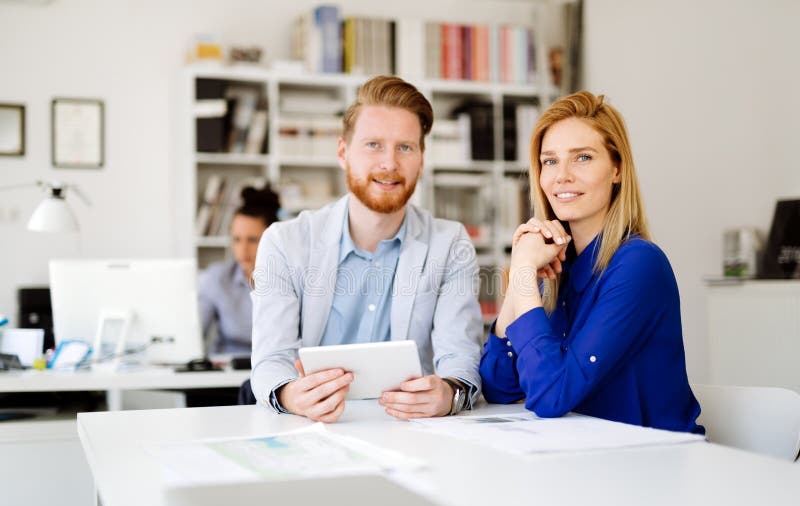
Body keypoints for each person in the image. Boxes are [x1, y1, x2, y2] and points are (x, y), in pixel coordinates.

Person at [250, 75, 483, 422]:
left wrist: (450, 393)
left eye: (405, 147)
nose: (389, 163)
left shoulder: (450, 244)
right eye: (373, 144)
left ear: (421, 159)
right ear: (343, 153)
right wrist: (290, 394)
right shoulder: (284, 243)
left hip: (410, 432)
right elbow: (271, 361)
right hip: (312, 430)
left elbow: (461, 359)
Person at [480, 90, 703, 434]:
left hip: (653, 467)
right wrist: (523, 272)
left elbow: (552, 396)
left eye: (582, 158)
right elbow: (498, 387)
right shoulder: (553, 263)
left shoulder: (639, 265)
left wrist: (523, 272)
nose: (561, 176)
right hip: (586, 460)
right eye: (550, 161)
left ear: (616, 169)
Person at [199, 185, 280, 355]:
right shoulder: (217, 278)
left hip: (274, 373)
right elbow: (193, 334)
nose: (242, 250)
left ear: (272, 239)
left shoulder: (290, 281)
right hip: (226, 373)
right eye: (237, 240)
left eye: (252, 240)